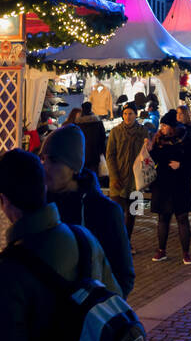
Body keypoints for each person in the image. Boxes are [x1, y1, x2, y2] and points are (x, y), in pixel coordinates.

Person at [0, 150, 120, 341]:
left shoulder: (9, 267)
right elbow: (115, 302)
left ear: (3, 200)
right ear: (43, 187)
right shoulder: (83, 238)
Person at [42, 125, 135, 297]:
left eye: (54, 160)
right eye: (44, 159)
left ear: (74, 166)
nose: (46, 167)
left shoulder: (105, 211)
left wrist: (98, 307)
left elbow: (124, 275)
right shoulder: (41, 208)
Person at [149, 109, 191, 264]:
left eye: (164, 126)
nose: (162, 129)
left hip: (179, 183)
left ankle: (186, 253)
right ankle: (161, 250)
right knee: (163, 217)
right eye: (161, 126)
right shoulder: (158, 140)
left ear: (172, 126)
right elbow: (153, 159)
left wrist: (181, 165)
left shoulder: (185, 138)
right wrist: (148, 150)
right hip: (162, 183)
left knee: (182, 218)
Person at [106, 103, 150, 244]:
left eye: (130, 113)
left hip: (136, 181)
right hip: (118, 180)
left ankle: (126, 242)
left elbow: (147, 155)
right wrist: (114, 177)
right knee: (116, 214)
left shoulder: (143, 131)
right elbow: (110, 156)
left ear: (135, 115)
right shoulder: (115, 131)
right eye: (125, 114)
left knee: (132, 214)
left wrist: (149, 147)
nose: (127, 116)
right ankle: (117, 243)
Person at [76, 101, 108, 177]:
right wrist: (102, 152)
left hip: (81, 155)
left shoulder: (77, 124)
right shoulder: (98, 122)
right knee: (94, 176)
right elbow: (102, 138)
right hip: (95, 154)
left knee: (82, 177)